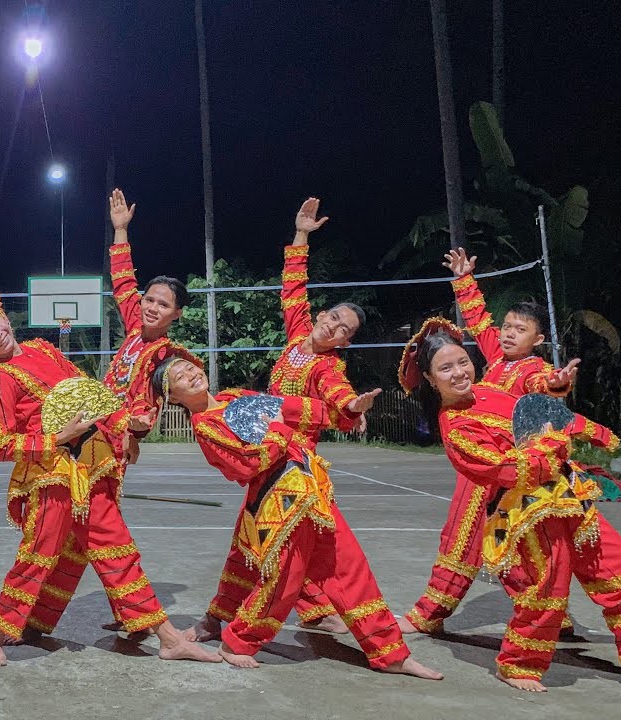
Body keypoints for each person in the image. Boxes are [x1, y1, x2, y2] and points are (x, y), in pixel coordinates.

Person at [0, 281, 220, 666]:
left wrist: (124, 430)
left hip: (93, 469)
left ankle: (168, 639)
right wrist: (58, 437)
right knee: (37, 557)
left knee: (118, 551)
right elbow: (1, 446)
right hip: (52, 480)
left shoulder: (41, 348)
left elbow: (91, 395)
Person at [400, 318, 621, 693]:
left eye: (462, 361)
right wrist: (552, 446)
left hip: (571, 501)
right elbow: (506, 469)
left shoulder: (492, 390)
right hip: (526, 516)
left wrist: (591, 430)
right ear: (431, 379)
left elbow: (540, 412)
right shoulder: (457, 427)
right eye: (446, 368)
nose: (460, 372)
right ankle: (517, 665)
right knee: (546, 590)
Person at [157, 356, 442, 679]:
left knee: (350, 567)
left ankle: (390, 652)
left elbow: (292, 407)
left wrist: (347, 411)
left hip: (311, 491)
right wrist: (278, 429)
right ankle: (237, 642)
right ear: (173, 397)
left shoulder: (233, 398)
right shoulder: (205, 426)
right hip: (280, 504)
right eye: (179, 377)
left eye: (190, 367)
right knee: (283, 582)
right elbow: (246, 466)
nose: (191, 374)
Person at [189, 197, 380, 640]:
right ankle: (236, 617)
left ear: (345, 344)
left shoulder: (329, 367)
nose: (333, 328)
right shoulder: (297, 339)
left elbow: (340, 398)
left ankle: (233, 618)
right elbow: (292, 289)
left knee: (296, 538)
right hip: (267, 453)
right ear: (320, 317)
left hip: (298, 467)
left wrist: (353, 408)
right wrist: (300, 236)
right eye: (333, 318)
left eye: (344, 330)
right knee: (262, 537)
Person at [23, 188, 204, 635]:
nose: (151, 306)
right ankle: (125, 616)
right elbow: (123, 281)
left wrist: (141, 428)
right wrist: (121, 230)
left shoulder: (165, 352)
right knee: (82, 530)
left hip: (109, 443)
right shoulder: (133, 329)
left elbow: (163, 389)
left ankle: (63, 616)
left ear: (176, 314)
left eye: (163, 304)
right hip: (87, 433)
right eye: (150, 299)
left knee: (92, 527)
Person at [400, 248, 592, 634]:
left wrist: (558, 384)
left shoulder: (531, 370)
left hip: (513, 475)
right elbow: (479, 322)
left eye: (520, 330)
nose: (508, 333)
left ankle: (549, 614)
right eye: (508, 326)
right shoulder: (494, 360)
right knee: (470, 542)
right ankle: (430, 613)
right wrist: (463, 280)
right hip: (480, 468)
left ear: (537, 340)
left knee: (514, 544)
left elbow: (544, 385)